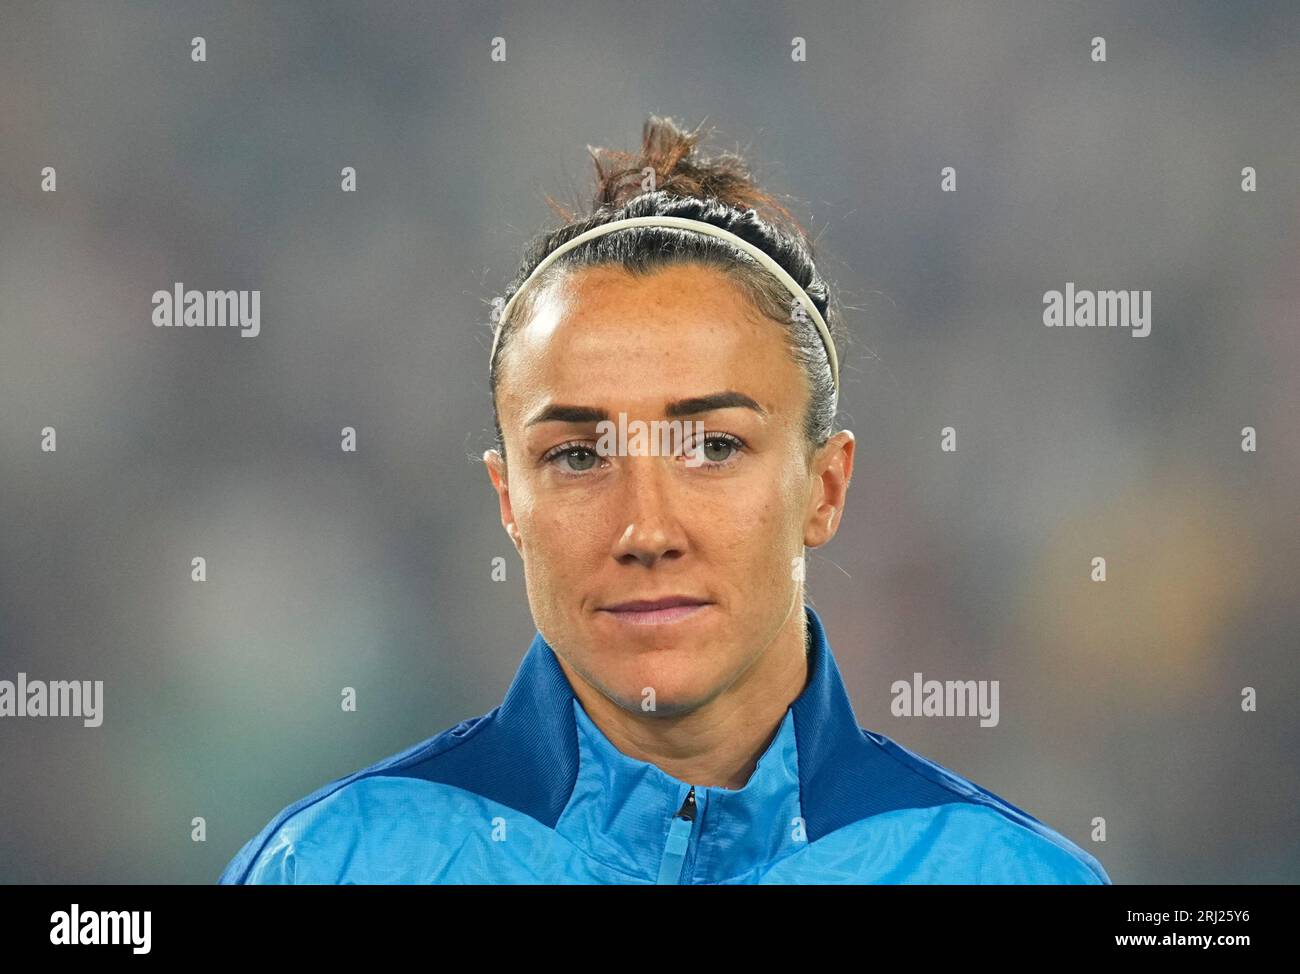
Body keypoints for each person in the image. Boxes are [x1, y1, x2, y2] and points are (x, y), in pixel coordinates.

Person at [219, 116, 1110, 885]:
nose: (646, 529)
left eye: (714, 446)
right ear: (508, 502)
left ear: (825, 488)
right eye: (576, 456)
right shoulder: (333, 866)